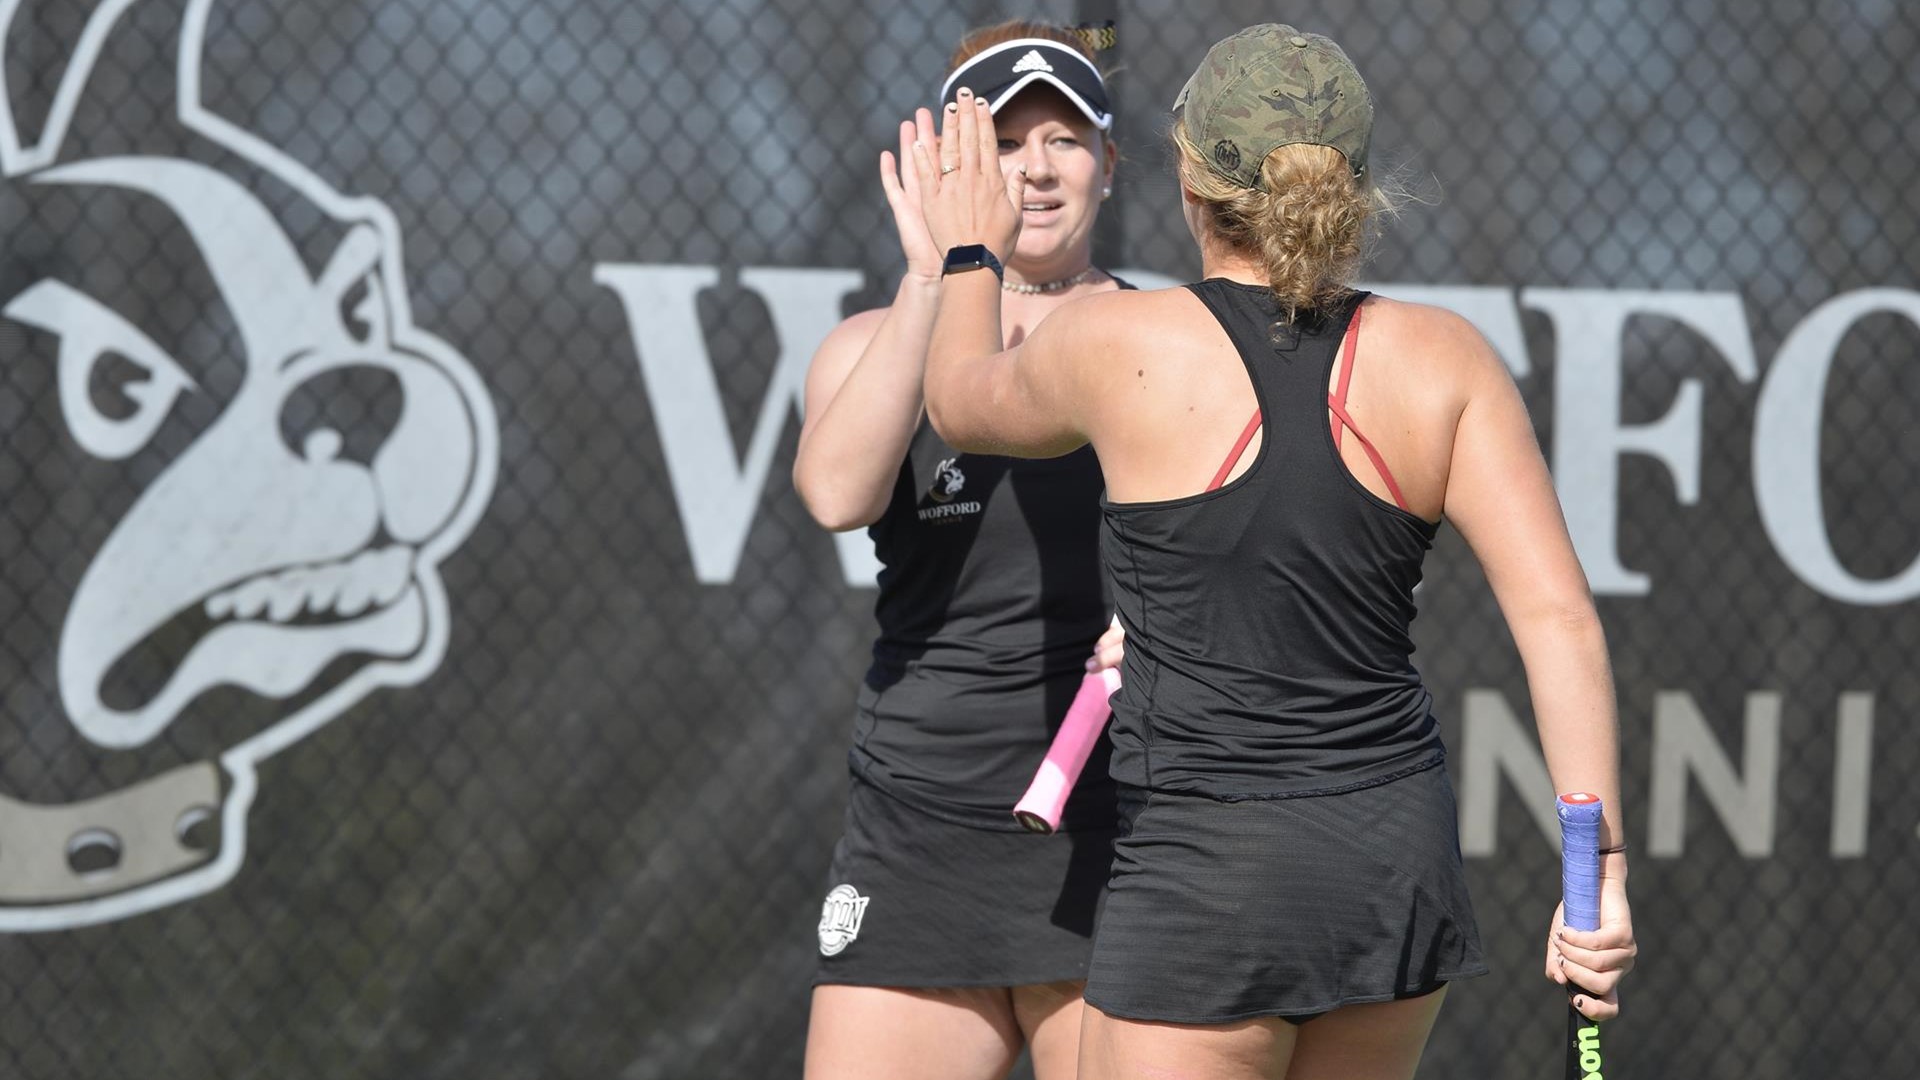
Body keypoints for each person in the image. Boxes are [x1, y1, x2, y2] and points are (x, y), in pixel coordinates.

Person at [912, 24, 1637, 1080]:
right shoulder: (1448, 360)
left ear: (1188, 180)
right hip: (1391, 885)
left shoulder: (1115, 344)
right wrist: (1598, 871)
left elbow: (957, 403)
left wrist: (970, 248)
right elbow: (1560, 621)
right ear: (1353, 185)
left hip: (1205, 898)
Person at [793, 20, 1133, 1080]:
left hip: (1120, 839)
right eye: (1001, 142)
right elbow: (837, 492)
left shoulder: (1163, 339)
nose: (1034, 168)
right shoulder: (866, 342)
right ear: (948, 168)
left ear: (1108, 168)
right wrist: (938, 273)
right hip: (919, 831)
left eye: (1064, 139)